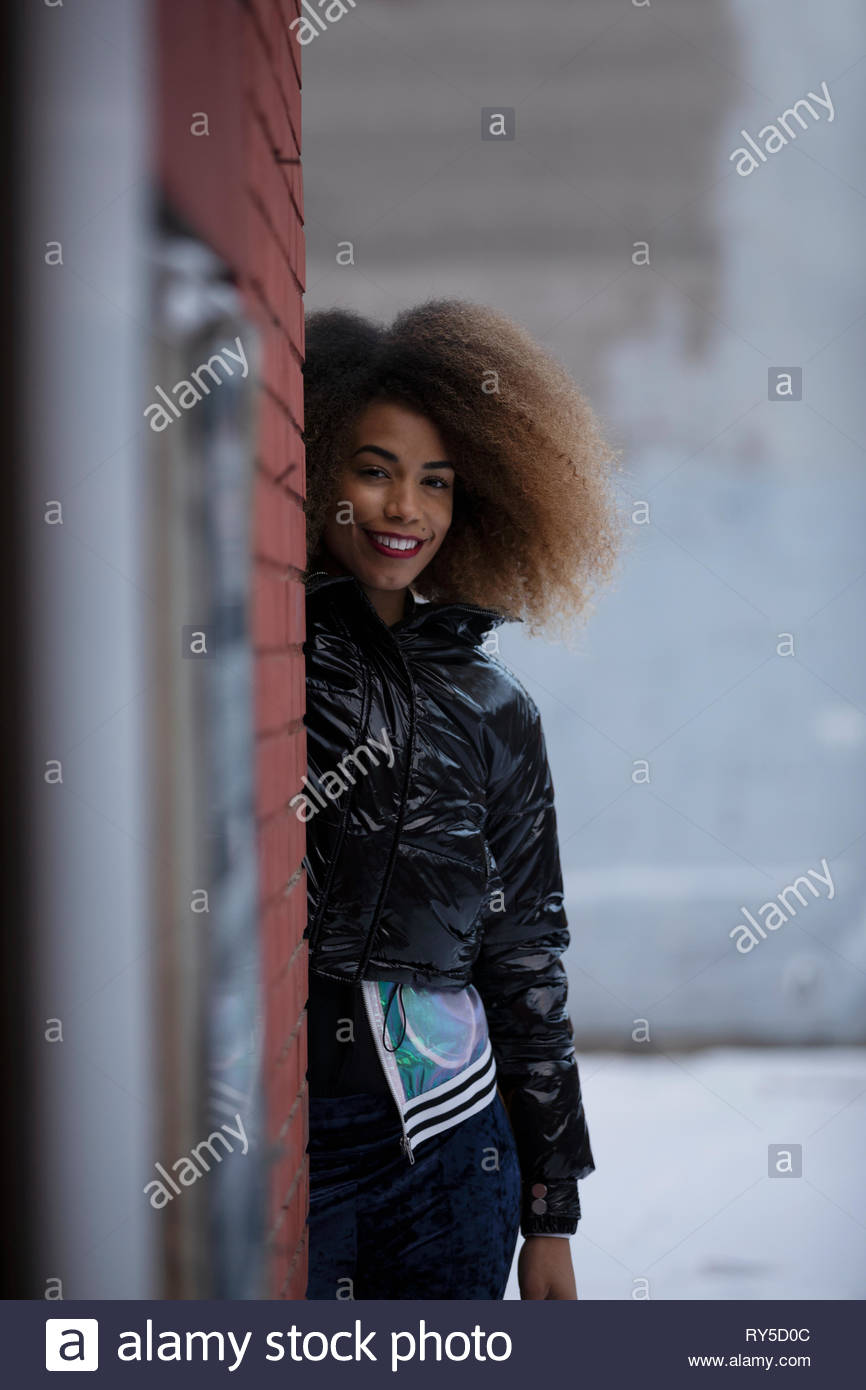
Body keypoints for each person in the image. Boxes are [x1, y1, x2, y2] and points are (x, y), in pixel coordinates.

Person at [299, 300, 621, 1300]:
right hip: (280, 1153)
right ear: (315, 472)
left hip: (452, 1152)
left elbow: (526, 957)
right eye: (373, 469)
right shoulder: (262, 663)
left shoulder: (493, 706)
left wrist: (549, 1214)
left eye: (435, 481)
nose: (406, 509)